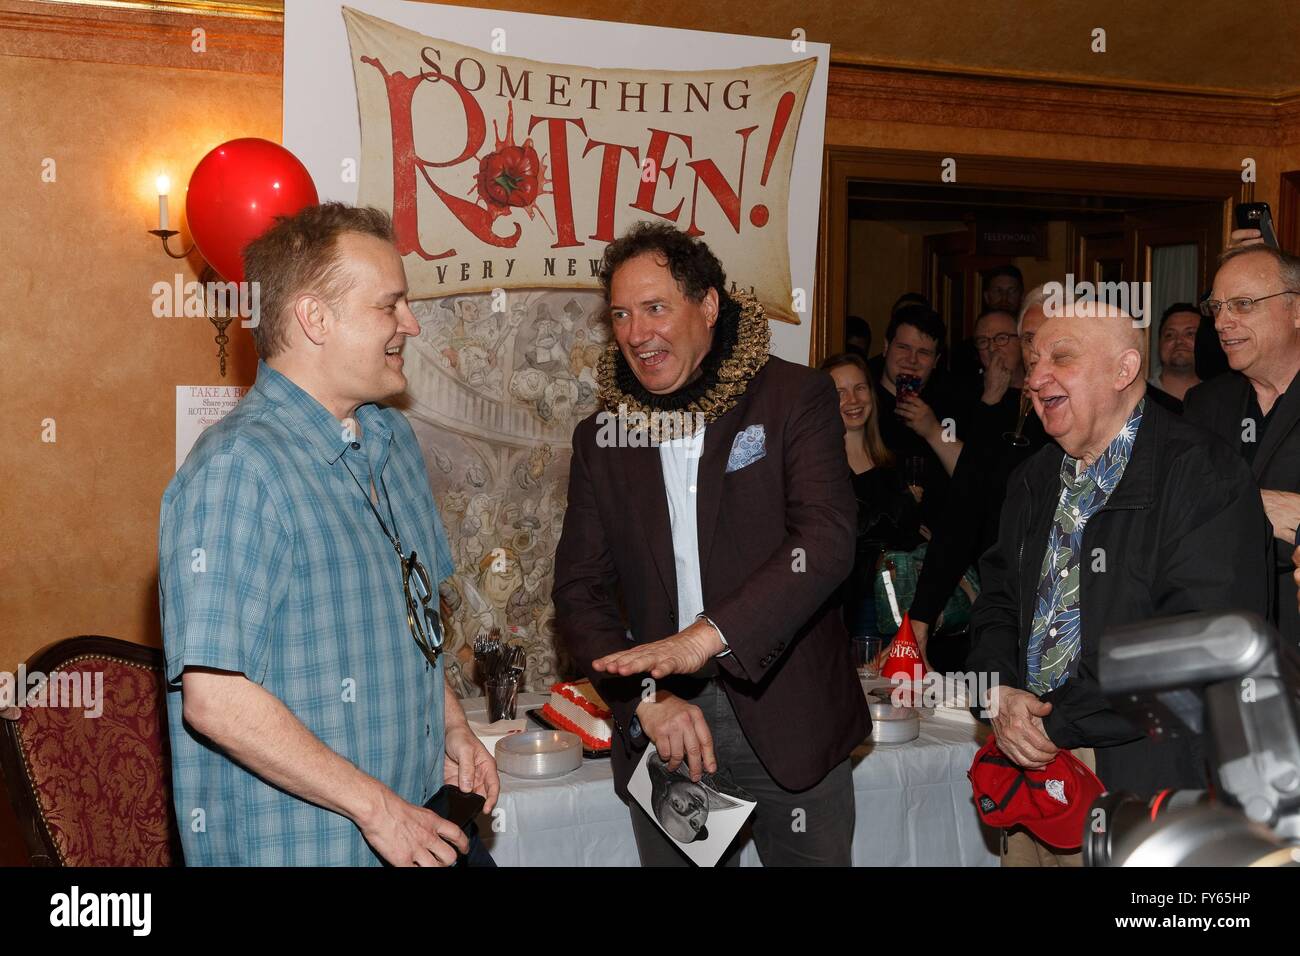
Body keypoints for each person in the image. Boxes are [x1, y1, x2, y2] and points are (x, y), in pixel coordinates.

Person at [158, 203, 499, 866]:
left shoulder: (391, 439)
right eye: (389, 306)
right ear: (315, 318)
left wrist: (453, 730)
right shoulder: (238, 470)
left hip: (420, 821)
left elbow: (417, 626)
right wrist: (378, 810)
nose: (411, 323)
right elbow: (216, 700)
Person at [552, 222, 868, 867]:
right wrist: (647, 698)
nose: (637, 333)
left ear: (708, 305)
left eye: (655, 308)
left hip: (788, 717)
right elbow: (579, 589)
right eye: (620, 314)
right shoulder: (603, 438)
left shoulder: (791, 398)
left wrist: (704, 637)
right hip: (667, 728)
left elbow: (827, 542)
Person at [967, 299, 1272, 866]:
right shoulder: (1034, 478)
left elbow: (1194, 644)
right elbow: (999, 600)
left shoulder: (1202, 473)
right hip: (1030, 771)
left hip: (1144, 776)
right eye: (1033, 362)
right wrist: (999, 693)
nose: (1035, 378)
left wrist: (1057, 719)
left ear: (1124, 371)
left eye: (1062, 357)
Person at [906, 292, 1054, 664]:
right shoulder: (965, 396)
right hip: (1000, 591)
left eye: (1005, 338)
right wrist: (921, 615)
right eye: (983, 342)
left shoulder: (1066, 409)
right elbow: (967, 499)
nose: (1033, 348)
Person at [1184, 244, 1300, 643]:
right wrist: (1253, 504)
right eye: (1216, 307)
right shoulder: (1205, 403)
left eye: (1243, 304)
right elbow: (1177, 511)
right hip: (1218, 639)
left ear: (1297, 310)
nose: (1221, 322)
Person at [821, 352, 923, 639]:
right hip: (855, 606)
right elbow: (843, 536)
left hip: (903, 598)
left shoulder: (893, 461)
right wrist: (898, 505)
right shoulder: (821, 468)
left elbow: (909, 533)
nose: (852, 400)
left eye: (859, 388)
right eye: (839, 392)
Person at [872, 305, 965, 531]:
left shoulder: (951, 403)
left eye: (923, 353)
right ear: (886, 347)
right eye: (903, 347)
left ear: (936, 360)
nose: (911, 360)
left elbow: (972, 479)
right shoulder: (863, 402)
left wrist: (933, 431)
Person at [1151, 303, 1201, 403]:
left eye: (1190, 334)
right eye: (1170, 335)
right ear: (1159, 343)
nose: (1179, 341)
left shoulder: (1223, 398)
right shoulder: (1138, 398)